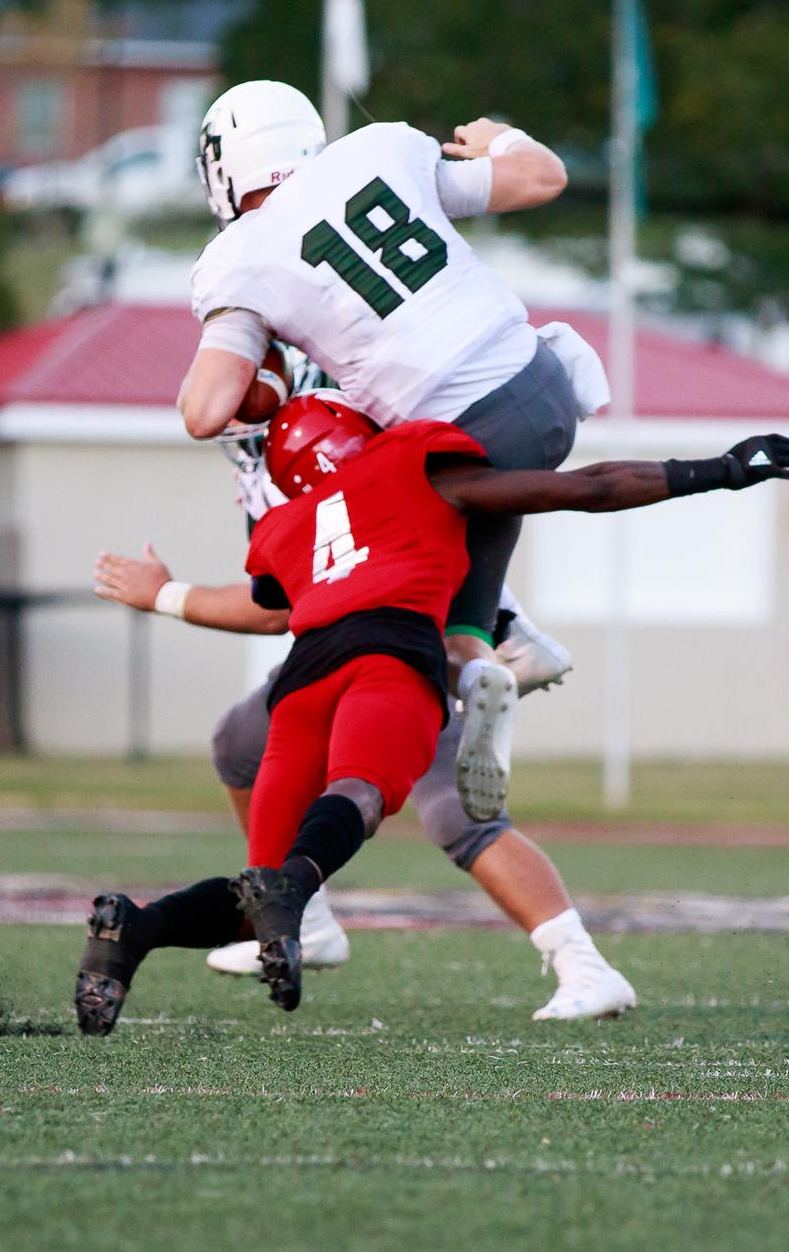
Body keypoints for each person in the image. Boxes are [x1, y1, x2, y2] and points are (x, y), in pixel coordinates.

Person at [73, 389, 789, 1035]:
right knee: (360, 795)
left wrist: (164, 592)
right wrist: (718, 470)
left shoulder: (285, 526)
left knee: (259, 887)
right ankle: (482, 657)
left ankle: (133, 930)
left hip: (300, 677)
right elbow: (586, 487)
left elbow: (268, 610)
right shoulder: (410, 458)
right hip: (389, 649)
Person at [179, 80, 607, 824]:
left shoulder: (236, 259)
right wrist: (498, 137)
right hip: (542, 393)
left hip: (451, 439)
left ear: (224, 169)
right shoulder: (381, 148)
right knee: (466, 574)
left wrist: (253, 351)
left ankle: (463, 665)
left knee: (365, 495)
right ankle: (492, 642)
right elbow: (543, 177)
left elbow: (205, 411)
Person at [94, 549, 631, 1022]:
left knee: (455, 812)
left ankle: (584, 965)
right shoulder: (282, 488)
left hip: (406, 647)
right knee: (240, 743)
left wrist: (166, 594)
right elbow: (281, 597)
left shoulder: (356, 474)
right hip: (333, 650)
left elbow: (274, 610)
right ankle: (305, 916)